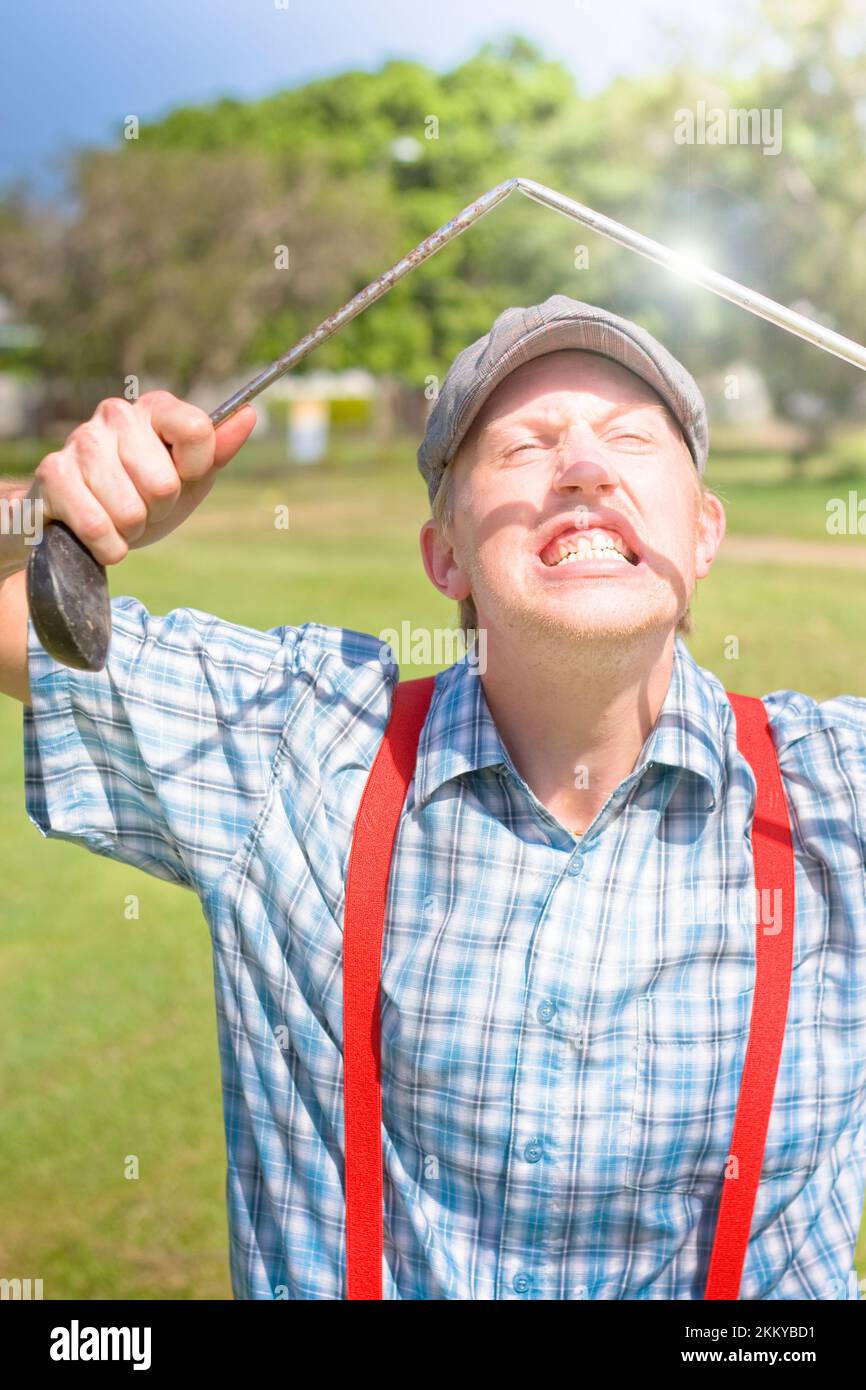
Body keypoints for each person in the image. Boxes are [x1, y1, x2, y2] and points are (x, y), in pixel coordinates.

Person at [0, 295, 863, 1300]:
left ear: (703, 531)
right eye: (524, 446)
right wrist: (47, 515)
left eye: (628, 437)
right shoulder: (304, 746)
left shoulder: (833, 792)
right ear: (443, 552)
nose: (583, 467)